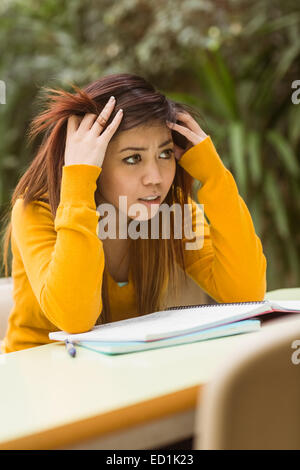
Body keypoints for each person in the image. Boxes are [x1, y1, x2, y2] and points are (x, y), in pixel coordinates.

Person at [0, 73, 267, 353]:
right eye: (132, 159)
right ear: (92, 159)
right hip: (37, 373)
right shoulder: (36, 212)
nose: (155, 178)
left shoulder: (172, 211)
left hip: (122, 372)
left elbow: (245, 294)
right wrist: (78, 179)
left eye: (165, 154)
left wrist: (214, 177)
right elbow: (74, 318)